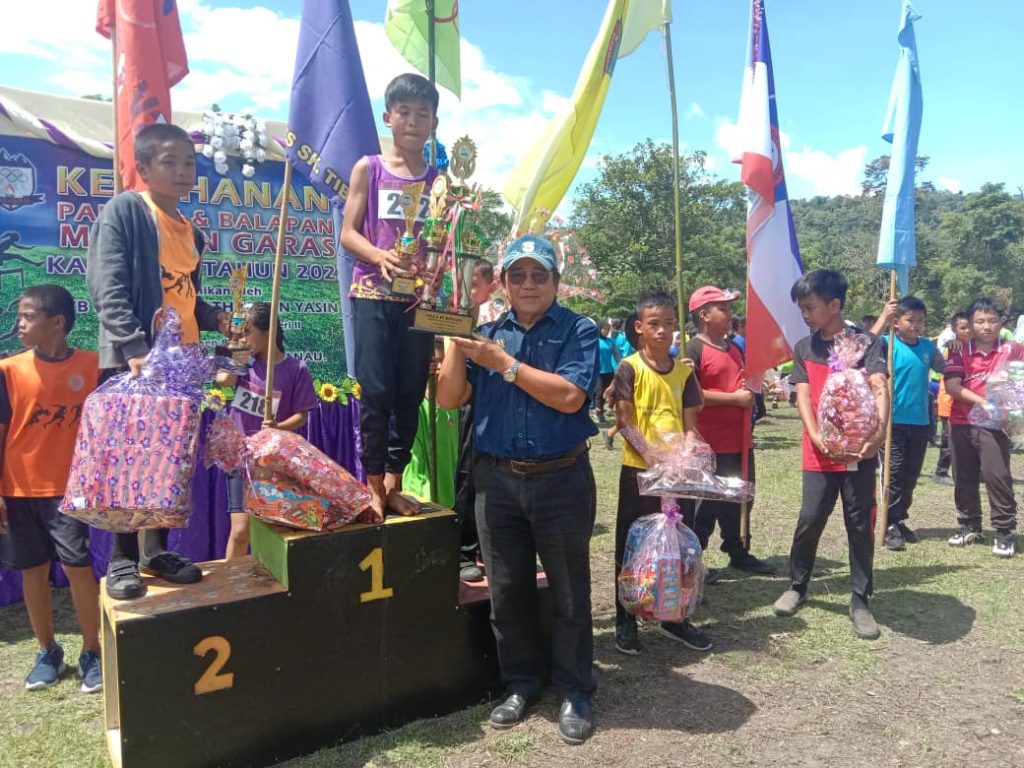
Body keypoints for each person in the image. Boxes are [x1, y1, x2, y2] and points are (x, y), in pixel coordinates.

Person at [437, 234, 599, 745]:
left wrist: (503, 363)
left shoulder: (579, 329)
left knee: (570, 592)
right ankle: (521, 683)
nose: (528, 284)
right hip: (497, 480)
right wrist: (453, 341)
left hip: (561, 479)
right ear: (503, 283)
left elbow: (572, 397)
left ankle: (575, 689)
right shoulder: (485, 333)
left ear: (555, 280)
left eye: (539, 274)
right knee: (506, 591)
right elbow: (448, 399)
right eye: (518, 275)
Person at [87, 122, 229, 600]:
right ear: (144, 168)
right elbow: (106, 286)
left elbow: (190, 298)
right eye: (169, 162)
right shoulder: (127, 210)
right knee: (129, 461)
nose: (182, 171)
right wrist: (133, 349)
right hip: (139, 363)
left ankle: (156, 552)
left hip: (182, 366)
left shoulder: (192, 231)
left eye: (188, 162)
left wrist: (219, 320)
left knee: (169, 463)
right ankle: (123, 559)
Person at [340, 73, 440, 522]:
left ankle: (396, 484)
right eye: (405, 112)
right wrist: (380, 256)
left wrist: (438, 271)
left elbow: (444, 242)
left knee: (410, 392)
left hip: (416, 302)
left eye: (423, 114)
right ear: (388, 117)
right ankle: (372, 485)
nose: (413, 121)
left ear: (434, 122)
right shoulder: (369, 167)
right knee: (376, 390)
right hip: (371, 293)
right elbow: (347, 234)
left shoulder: (440, 180)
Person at [773, 270, 889, 640]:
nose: (805, 314)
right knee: (810, 518)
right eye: (802, 308)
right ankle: (797, 586)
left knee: (859, 523)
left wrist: (877, 433)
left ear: (835, 304)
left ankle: (860, 599)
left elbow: (878, 386)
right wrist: (814, 433)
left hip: (860, 451)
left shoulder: (868, 344)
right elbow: (803, 395)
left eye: (810, 307)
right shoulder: (806, 348)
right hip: (819, 452)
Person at [0, 285, 102, 692]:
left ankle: (91, 651)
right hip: (19, 489)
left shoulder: (95, 367)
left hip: (70, 490)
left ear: (57, 322)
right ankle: (47, 651)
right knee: (33, 571)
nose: (18, 324)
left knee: (78, 568)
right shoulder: (8, 370)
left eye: (27, 316)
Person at [611, 290, 708, 656]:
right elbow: (625, 422)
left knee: (675, 546)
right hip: (639, 472)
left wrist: (684, 455)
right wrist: (653, 458)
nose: (663, 332)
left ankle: (673, 615)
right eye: (655, 324)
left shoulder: (683, 373)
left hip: (675, 475)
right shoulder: (629, 368)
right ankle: (626, 616)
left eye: (669, 324)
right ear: (639, 327)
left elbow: (690, 427)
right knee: (631, 544)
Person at [215, 303, 318, 559]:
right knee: (240, 531)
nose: (246, 337)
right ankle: (233, 586)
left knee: (276, 528)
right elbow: (223, 381)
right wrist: (234, 347)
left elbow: (302, 415)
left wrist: (277, 428)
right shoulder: (244, 362)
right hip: (242, 458)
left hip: (275, 461)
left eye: (249, 331)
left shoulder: (296, 369)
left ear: (268, 331)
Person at [685, 286, 775, 574]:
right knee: (705, 506)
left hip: (740, 441)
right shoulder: (693, 350)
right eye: (722, 308)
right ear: (704, 315)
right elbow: (690, 397)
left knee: (740, 499)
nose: (729, 313)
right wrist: (734, 399)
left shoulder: (734, 346)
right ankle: (693, 560)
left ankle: (737, 550)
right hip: (709, 443)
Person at [944, 298, 1023, 557]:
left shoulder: (1013, 350)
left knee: (996, 475)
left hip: (995, 426)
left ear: (1002, 323)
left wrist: (1010, 412)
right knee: (963, 475)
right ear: (970, 323)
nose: (986, 326)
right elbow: (953, 386)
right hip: (961, 423)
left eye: (992, 320)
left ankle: (1004, 532)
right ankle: (969, 525)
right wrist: (982, 401)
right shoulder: (959, 350)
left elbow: (1018, 383)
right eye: (980, 321)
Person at [870, 297, 945, 551]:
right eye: (910, 320)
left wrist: (958, 346)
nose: (916, 326)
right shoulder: (886, 343)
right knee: (894, 473)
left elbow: (946, 367)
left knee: (911, 475)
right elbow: (863, 344)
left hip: (921, 421)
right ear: (897, 322)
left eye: (921, 321)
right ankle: (888, 523)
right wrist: (883, 317)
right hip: (892, 422)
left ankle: (899, 519)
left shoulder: (927, 347)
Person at [933, 312, 970, 484]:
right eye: (962, 328)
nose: (967, 331)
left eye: (969, 326)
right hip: (949, 402)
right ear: (954, 330)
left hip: (965, 404)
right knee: (948, 439)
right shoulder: (953, 348)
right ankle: (940, 472)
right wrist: (950, 342)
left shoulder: (973, 349)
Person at [595, 320, 618, 420]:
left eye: (608, 329)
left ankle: (600, 408)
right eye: (605, 329)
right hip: (598, 371)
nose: (607, 331)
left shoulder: (610, 341)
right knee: (599, 391)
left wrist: (621, 364)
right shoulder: (595, 340)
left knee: (607, 392)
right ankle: (598, 412)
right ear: (600, 329)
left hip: (609, 370)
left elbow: (616, 355)